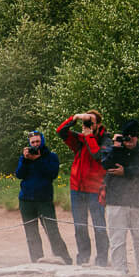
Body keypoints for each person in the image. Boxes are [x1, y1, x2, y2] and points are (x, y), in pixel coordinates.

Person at [98, 120, 139, 277]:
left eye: (132, 138)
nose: (129, 141)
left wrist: (126, 171)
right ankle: (119, 272)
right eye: (126, 138)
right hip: (116, 201)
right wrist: (115, 148)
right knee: (117, 240)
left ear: (137, 137)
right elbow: (105, 164)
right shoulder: (113, 151)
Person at [53, 110, 109, 266]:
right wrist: (75, 118)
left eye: (91, 122)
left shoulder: (106, 139)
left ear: (98, 124)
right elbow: (60, 131)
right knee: (80, 227)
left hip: (95, 189)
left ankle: (102, 261)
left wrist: (89, 136)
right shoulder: (79, 140)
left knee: (99, 226)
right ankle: (83, 259)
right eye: (87, 122)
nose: (88, 125)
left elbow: (98, 156)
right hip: (77, 188)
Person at [14, 129, 72, 263]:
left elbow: (52, 174)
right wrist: (24, 159)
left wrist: (38, 159)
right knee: (31, 234)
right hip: (26, 200)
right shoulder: (26, 157)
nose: (35, 144)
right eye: (33, 142)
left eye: (37, 141)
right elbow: (19, 174)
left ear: (42, 141)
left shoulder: (51, 157)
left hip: (44, 199)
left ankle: (65, 260)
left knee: (52, 232)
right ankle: (37, 260)